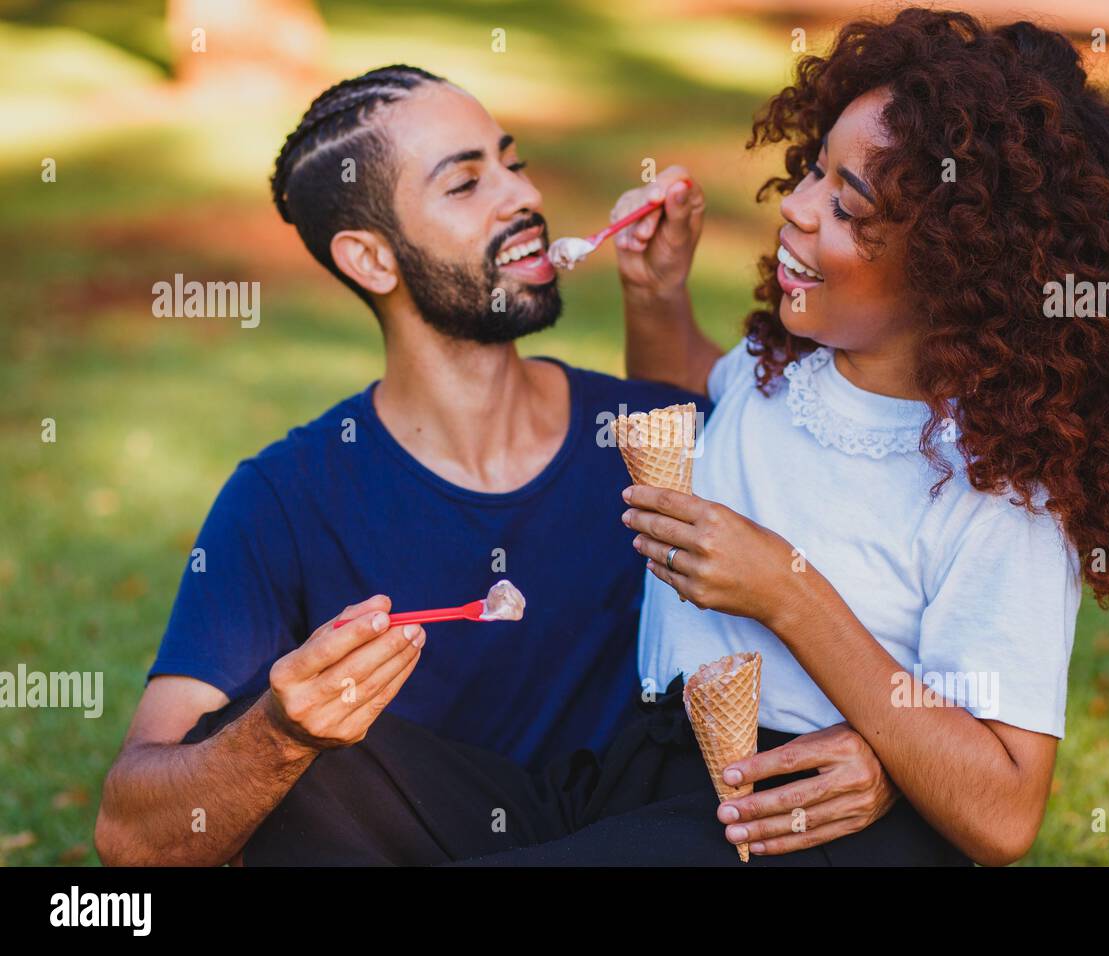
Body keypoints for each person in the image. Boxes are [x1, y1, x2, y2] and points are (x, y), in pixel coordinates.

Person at [225, 8, 1109, 867]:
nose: (791, 208)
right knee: (312, 784)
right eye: (809, 172)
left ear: (958, 267)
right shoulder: (774, 373)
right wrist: (654, 290)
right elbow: (680, 410)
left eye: (844, 204)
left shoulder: (993, 484)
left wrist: (787, 591)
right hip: (649, 771)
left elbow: (1003, 812)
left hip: (805, 815)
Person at [94, 66, 893, 867]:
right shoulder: (282, 499)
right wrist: (281, 734)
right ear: (372, 259)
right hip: (430, 830)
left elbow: (877, 606)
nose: (521, 196)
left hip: (649, 832)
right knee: (272, 758)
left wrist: (884, 760)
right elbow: (134, 837)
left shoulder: (652, 437)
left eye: (513, 162)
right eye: (467, 183)